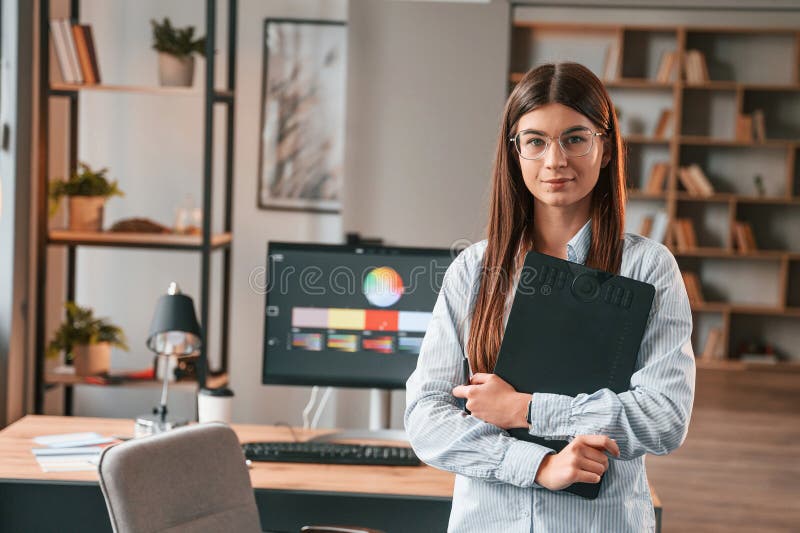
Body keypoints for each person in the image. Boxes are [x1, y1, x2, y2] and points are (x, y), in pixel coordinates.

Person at [404, 62, 695, 532]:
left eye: (575, 138)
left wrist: (526, 408)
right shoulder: (475, 270)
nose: (555, 160)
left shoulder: (647, 268)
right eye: (535, 141)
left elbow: (664, 417)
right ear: (515, 152)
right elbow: (426, 418)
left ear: (605, 148)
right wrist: (537, 466)